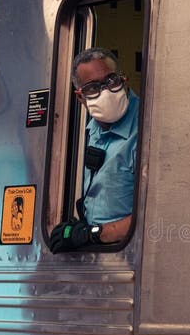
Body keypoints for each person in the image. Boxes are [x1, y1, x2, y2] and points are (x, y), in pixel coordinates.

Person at [50, 48, 139, 253]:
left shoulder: (147, 130)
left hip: (127, 253)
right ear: (81, 98)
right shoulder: (85, 134)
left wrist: (94, 234)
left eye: (111, 81)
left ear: (123, 79)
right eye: (92, 88)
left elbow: (154, 216)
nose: (106, 91)